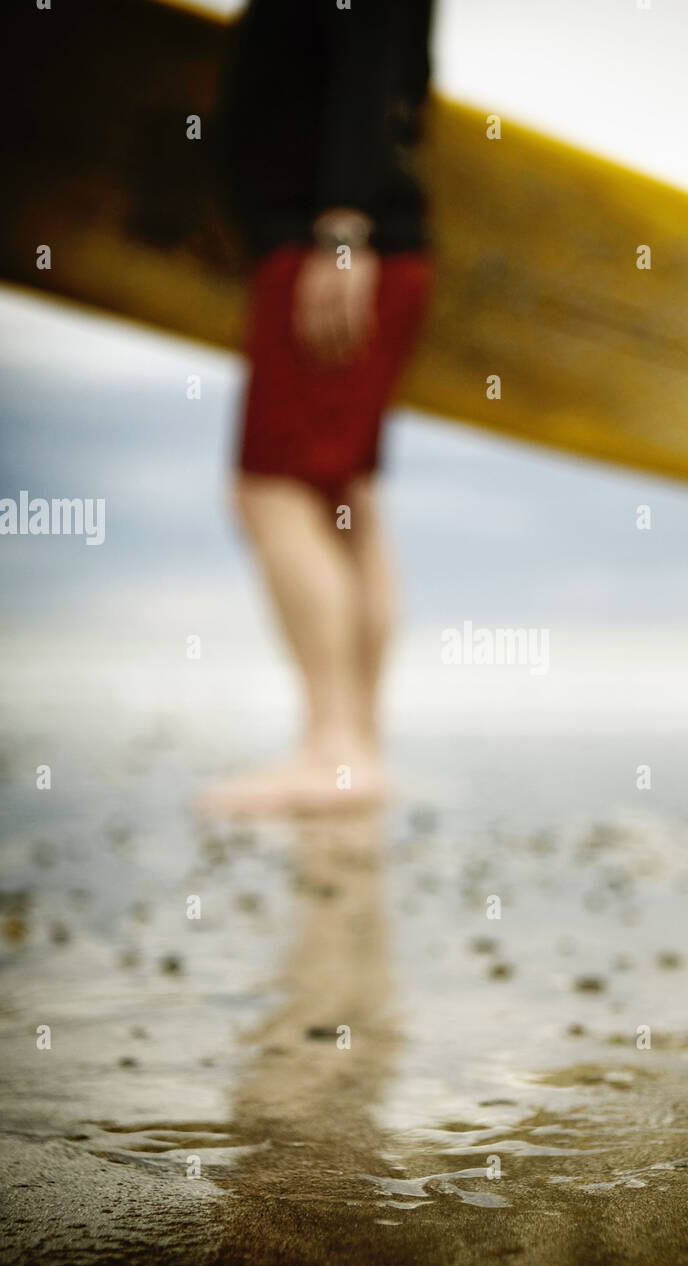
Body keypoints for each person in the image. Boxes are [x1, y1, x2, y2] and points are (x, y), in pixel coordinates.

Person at [201, 0, 435, 816]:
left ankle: (334, 750)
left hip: (328, 252)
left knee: (269, 491)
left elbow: (370, 60)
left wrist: (341, 228)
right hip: (359, 247)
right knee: (340, 496)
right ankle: (355, 748)